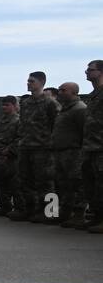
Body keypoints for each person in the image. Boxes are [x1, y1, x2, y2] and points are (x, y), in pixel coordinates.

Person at [10, 71, 61, 222]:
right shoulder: (25, 103)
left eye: (31, 81)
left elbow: (56, 125)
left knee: (46, 182)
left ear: (41, 83)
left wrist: (51, 144)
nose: (28, 83)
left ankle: (50, 213)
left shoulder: (50, 103)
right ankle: (30, 210)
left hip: (43, 148)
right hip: (26, 147)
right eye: (28, 81)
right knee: (26, 180)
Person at [52, 82, 87, 227]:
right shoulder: (64, 109)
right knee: (63, 184)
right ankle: (65, 213)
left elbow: (84, 131)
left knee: (76, 184)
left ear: (73, 92)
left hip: (73, 152)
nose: (60, 92)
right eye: (59, 90)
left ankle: (78, 215)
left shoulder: (80, 109)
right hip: (61, 152)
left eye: (63, 90)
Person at [0, 96, 22, 217]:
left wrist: (8, 151)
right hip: (0, 156)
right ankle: (5, 206)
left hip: (11, 157)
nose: (4, 107)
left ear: (14, 106)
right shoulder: (2, 121)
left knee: (15, 184)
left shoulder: (18, 120)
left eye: (7, 105)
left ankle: (19, 208)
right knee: (1, 183)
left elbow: (19, 138)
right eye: (3, 105)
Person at [81, 60, 103, 232]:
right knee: (92, 185)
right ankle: (96, 217)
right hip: (91, 148)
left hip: (100, 148)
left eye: (90, 69)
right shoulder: (93, 95)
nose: (86, 72)